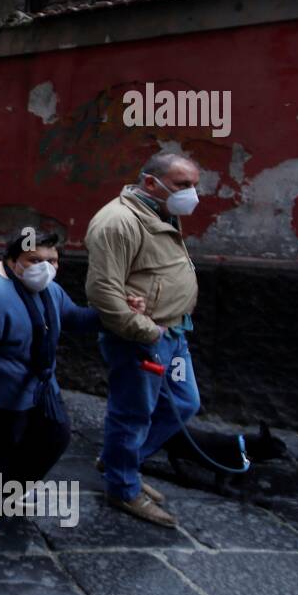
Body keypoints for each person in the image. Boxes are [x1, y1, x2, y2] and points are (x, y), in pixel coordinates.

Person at [0, 229, 145, 533]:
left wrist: (120, 312)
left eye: (52, 260)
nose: (45, 267)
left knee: (55, 437)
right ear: (13, 260)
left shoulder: (49, 291)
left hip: (40, 388)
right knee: (1, 448)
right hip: (1, 390)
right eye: (34, 260)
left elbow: (74, 318)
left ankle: (8, 492)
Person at [85, 151, 203, 528]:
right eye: (183, 185)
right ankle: (123, 488)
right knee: (133, 413)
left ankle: (119, 460)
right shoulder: (118, 222)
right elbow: (103, 291)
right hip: (142, 338)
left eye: (195, 185)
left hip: (175, 333)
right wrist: (145, 331)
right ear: (151, 183)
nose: (192, 194)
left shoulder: (161, 212)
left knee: (185, 403)